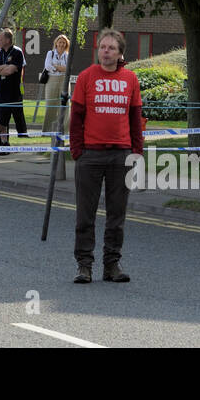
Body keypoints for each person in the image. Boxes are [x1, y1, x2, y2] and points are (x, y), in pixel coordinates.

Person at [70, 28, 144, 284]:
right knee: (85, 214)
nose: (106, 51)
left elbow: (135, 119)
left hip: (121, 155)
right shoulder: (85, 77)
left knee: (116, 215)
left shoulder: (130, 79)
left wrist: (137, 151)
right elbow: (76, 118)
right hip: (90, 155)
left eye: (112, 48)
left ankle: (112, 264)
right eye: (103, 47)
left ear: (120, 52)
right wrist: (77, 151)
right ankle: (84, 265)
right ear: (97, 50)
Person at [0, 29, 27, 146]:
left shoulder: (16, 53)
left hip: (12, 91)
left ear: (7, 40)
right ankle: (3, 143)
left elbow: (10, 71)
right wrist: (4, 66)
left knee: (3, 116)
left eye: (0, 39)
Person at [43, 34, 71, 135]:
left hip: (64, 80)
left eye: (64, 42)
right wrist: (59, 68)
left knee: (65, 104)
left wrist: (55, 66)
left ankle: (65, 131)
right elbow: (47, 66)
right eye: (60, 42)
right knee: (50, 104)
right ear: (56, 43)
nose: (62, 44)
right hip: (52, 79)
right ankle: (47, 131)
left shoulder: (68, 55)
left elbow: (68, 68)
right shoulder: (50, 53)